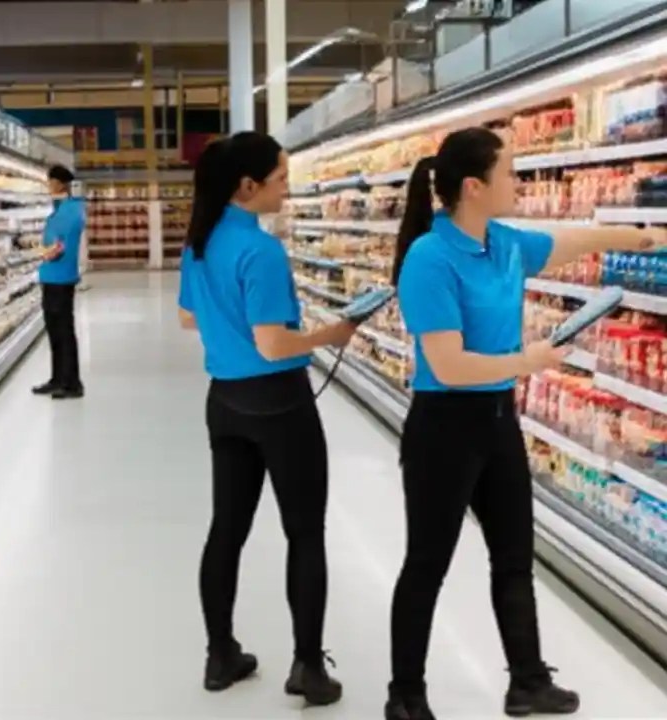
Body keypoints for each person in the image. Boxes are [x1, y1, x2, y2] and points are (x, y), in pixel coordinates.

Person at [386, 126, 666, 720]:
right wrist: (527, 361)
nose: (518, 181)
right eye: (510, 172)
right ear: (473, 186)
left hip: (497, 422)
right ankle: (405, 695)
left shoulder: (503, 242)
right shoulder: (429, 259)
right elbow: (447, 362)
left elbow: (568, 241)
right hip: (444, 427)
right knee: (427, 563)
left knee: (514, 555)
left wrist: (640, 237)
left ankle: (528, 681)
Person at [177, 132, 359, 705]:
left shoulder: (199, 242)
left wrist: (226, 325)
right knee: (304, 532)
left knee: (226, 530)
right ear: (248, 186)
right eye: (281, 179)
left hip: (225, 402)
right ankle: (308, 664)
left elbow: (188, 318)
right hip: (280, 403)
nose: (288, 189)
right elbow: (276, 344)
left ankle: (220, 653)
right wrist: (335, 332)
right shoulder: (261, 251)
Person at [32, 165, 86, 400]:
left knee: (63, 331)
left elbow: (60, 245)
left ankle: (72, 383)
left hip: (60, 277)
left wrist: (45, 253)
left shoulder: (71, 210)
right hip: (52, 276)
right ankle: (57, 378)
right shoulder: (63, 208)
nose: (48, 186)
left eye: (50, 181)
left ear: (60, 183)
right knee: (54, 330)